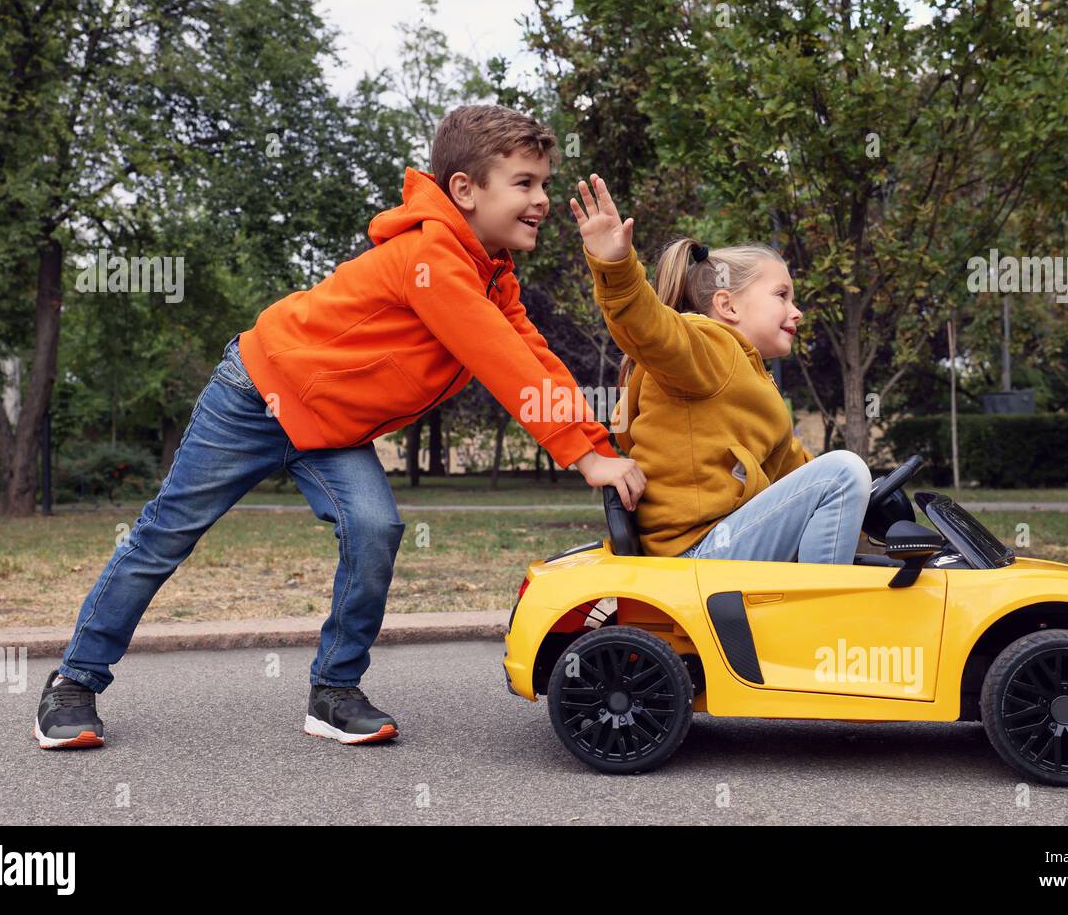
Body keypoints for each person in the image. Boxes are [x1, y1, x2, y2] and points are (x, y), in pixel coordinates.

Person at [34, 107, 646, 750]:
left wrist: (599, 446)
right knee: (166, 534)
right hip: (257, 394)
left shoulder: (491, 274)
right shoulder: (432, 256)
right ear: (465, 189)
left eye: (544, 183)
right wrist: (585, 456)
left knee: (374, 526)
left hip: (331, 426)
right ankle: (74, 683)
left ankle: (333, 690)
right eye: (524, 183)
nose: (542, 200)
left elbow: (533, 353)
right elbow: (501, 360)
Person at [570, 173, 871, 563]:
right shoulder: (708, 346)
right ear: (728, 306)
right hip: (699, 549)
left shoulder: (753, 380)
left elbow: (794, 468)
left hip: (725, 537)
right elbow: (651, 328)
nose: (796, 311)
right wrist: (616, 268)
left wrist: (873, 503)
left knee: (841, 478)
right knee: (843, 471)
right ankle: (821, 615)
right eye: (782, 295)